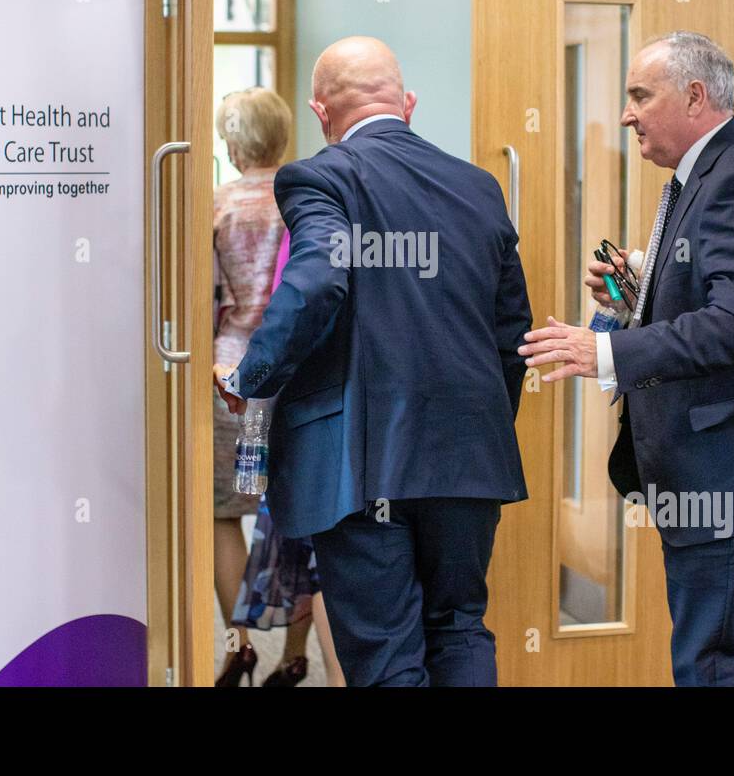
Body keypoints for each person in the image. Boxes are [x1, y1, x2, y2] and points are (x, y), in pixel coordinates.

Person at [518, 31, 734, 687]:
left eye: (641, 95)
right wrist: (638, 297)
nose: (626, 113)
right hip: (727, 468)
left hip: (732, 471)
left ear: (695, 96)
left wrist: (605, 347)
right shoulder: (710, 174)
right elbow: (726, 305)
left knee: (711, 664)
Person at [214, 36, 532, 687]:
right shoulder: (479, 186)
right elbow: (512, 331)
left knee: (387, 653)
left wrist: (251, 378)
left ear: (320, 110)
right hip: (469, 460)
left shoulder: (320, 176)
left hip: (362, 462)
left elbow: (318, 282)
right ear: (407, 103)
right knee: (460, 628)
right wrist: (482, 427)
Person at [230, 231, 346, 687]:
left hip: (309, 406)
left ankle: (326, 674)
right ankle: (295, 659)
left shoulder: (310, 213)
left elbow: (292, 313)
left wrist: (248, 382)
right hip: (352, 409)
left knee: (325, 562)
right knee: (318, 555)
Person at [210, 87, 289, 686]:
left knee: (225, 513)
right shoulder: (307, 200)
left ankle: (238, 642)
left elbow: (205, 302)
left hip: (233, 378)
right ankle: (296, 656)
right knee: (303, 521)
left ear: (234, 144)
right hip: (295, 377)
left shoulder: (217, 207)